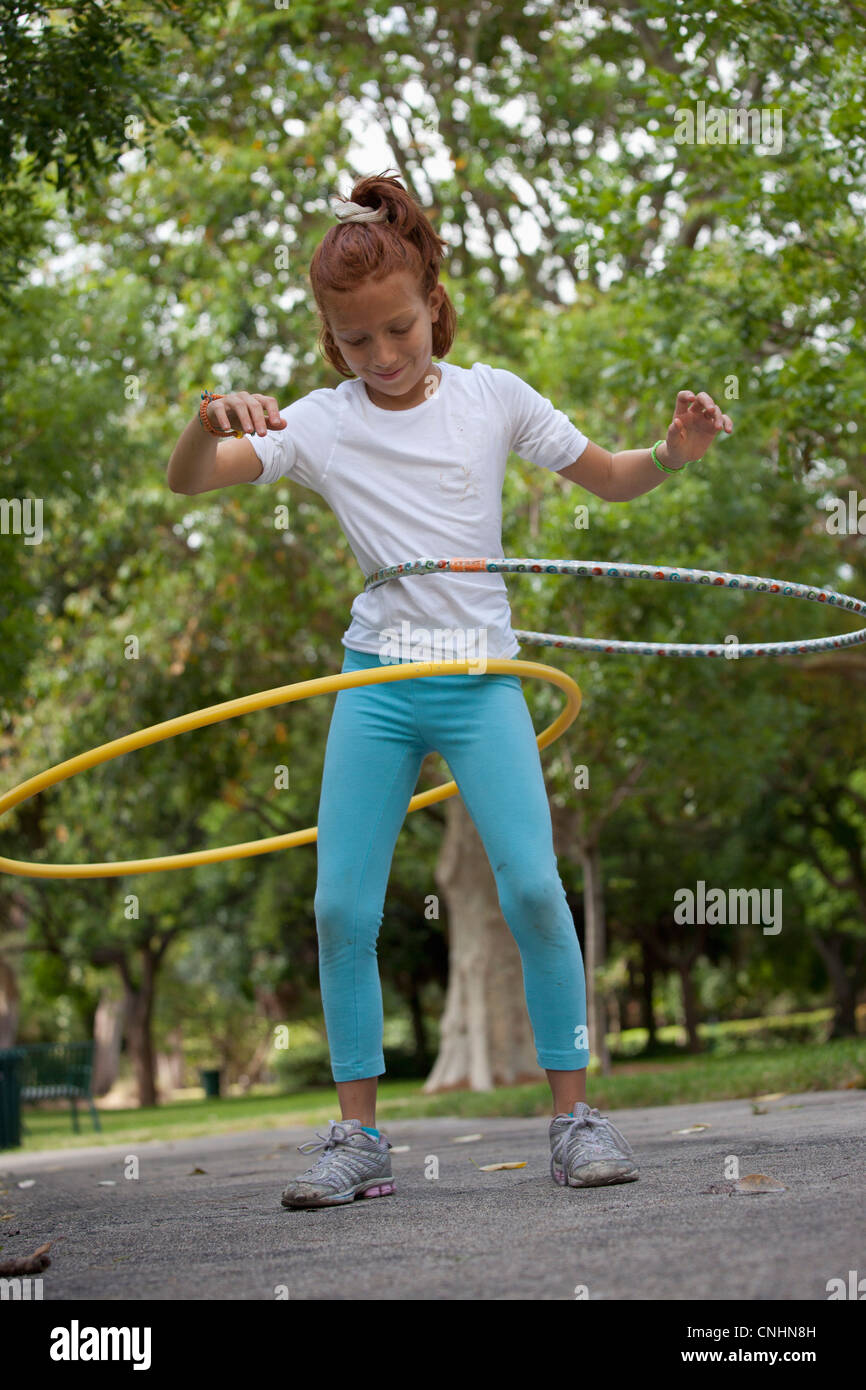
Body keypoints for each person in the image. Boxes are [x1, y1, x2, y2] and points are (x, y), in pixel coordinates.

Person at [166, 170, 733, 1209]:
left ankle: (573, 1119)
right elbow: (189, 481)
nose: (380, 358)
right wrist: (210, 418)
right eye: (355, 343)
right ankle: (357, 1137)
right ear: (330, 343)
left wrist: (669, 452)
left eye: (397, 330)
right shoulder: (323, 423)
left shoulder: (493, 398)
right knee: (339, 905)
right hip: (379, 682)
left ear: (430, 298)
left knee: (529, 887)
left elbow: (607, 474)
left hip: (480, 680)